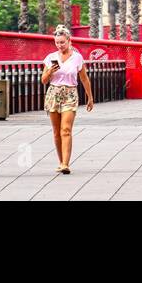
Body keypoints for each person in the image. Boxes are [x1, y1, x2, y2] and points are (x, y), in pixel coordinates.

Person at [42, 26, 94, 173]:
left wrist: (90, 97)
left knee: (66, 129)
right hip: (53, 93)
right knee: (56, 131)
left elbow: (84, 78)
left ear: (69, 41)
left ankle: (66, 163)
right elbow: (44, 80)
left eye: (62, 42)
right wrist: (50, 72)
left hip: (70, 94)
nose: (60, 45)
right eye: (57, 43)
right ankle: (60, 161)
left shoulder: (77, 58)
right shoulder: (50, 58)